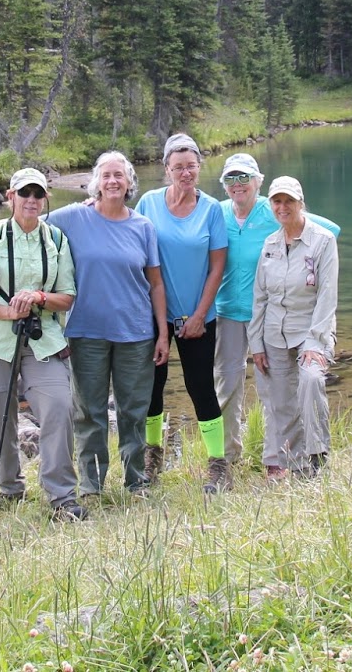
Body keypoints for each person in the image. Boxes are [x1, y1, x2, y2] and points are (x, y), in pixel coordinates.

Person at [0, 153, 169, 497]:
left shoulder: (143, 227)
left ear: (129, 183)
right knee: (89, 413)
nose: (112, 181)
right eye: (106, 175)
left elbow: (155, 284)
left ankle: (135, 481)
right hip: (85, 333)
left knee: (133, 411)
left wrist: (163, 334)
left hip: (136, 334)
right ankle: (92, 484)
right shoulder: (72, 218)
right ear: (96, 182)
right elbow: (27, 218)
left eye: (119, 176)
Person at [0, 167, 83, 520]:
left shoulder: (57, 240)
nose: (31, 200)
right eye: (24, 193)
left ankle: (61, 497)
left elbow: (67, 297)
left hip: (43, 340)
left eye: (38, 194)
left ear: (45, 199)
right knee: (1, 418)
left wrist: (39, 297)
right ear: (10, 196)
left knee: (59, 407)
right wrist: (10, 313)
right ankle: (9, 488)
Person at [212, 153, 338, 470]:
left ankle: (303, 457)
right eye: (231, 178)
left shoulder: (290, 221)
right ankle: (236, 459)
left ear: (258, 182)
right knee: (238, 391)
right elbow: (260, 296)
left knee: (297, 386)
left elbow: (328, 235)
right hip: (238, 316)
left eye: (244, 178)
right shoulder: (220, 215)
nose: (238, 184)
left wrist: (308, 266)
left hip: (291, 323)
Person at [134, 133, 230, 493]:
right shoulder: (148, 203)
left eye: (191, 166)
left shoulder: (212, 210)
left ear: (199, 166)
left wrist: (198, 315)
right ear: (166, 169)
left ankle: (218, 466)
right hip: (152, 316)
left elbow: (217, 268)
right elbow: (126, 239)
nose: (185, 173)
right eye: (178, 167)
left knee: (201, 387)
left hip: (198, 318)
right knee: (152, 389)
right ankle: (152, 458)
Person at [250, 175, 339, 480]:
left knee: (312, 381)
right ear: (271, 206)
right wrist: (256, 345)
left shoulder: (323, 241)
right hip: (274, 333)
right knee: (281, 401)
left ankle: (317, 455)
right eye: (277, 201)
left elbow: (328, 295)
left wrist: (316, 342)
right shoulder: (270, 244)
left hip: (310, 331)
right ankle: (294, 466)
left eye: (289, 201)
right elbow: (260, 298)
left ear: (301, 203)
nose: (283, 207)